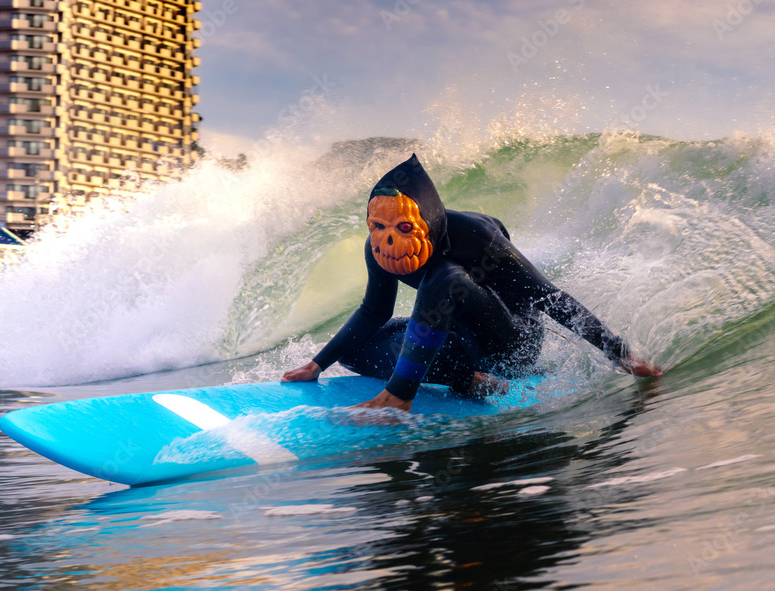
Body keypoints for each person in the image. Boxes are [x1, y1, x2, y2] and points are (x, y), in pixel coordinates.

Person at [282, 154, 661, 411]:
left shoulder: (475, 237)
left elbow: (550, 298)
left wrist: (622, 355)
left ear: (428, 223)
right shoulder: (380, 247)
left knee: (446, 277)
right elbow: (373, 311)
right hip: (457, 340)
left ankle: (400, 397)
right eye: (377, 227)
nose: (388, 239)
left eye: (402, 228)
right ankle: (468, 378)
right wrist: (317, 365)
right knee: (352, 348)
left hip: (511, 343)